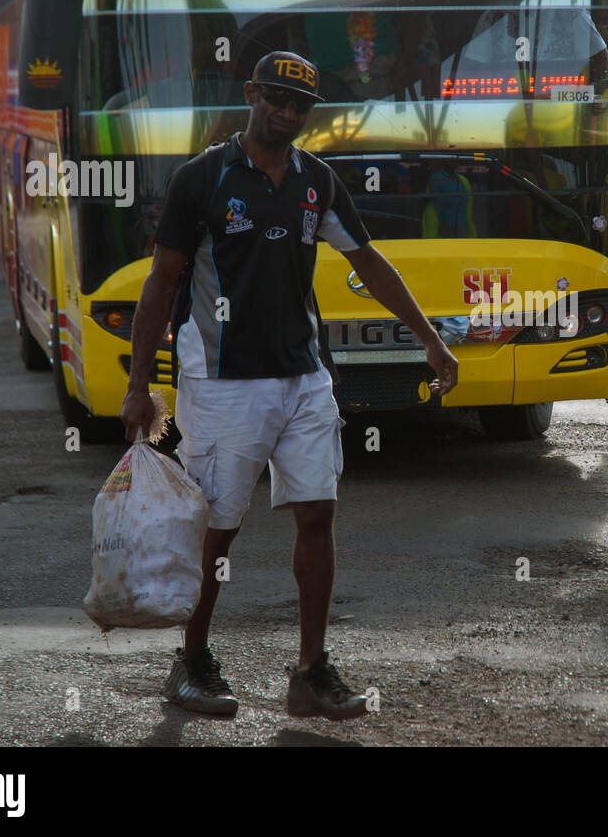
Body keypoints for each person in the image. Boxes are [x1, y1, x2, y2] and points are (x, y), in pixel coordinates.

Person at [121, 50, 458, 719]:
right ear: (251, 93)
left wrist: (431, 337)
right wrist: (139, 386)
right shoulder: (203, 178)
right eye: (276, 97)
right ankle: (189, 663)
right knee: (216, 529)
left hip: (304, 375)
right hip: (221, 382)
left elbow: (369, 261)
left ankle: (309, 671)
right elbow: (160, 285)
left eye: (301, 105)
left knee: (317, 512)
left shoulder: (317, 181)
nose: (288, 112)